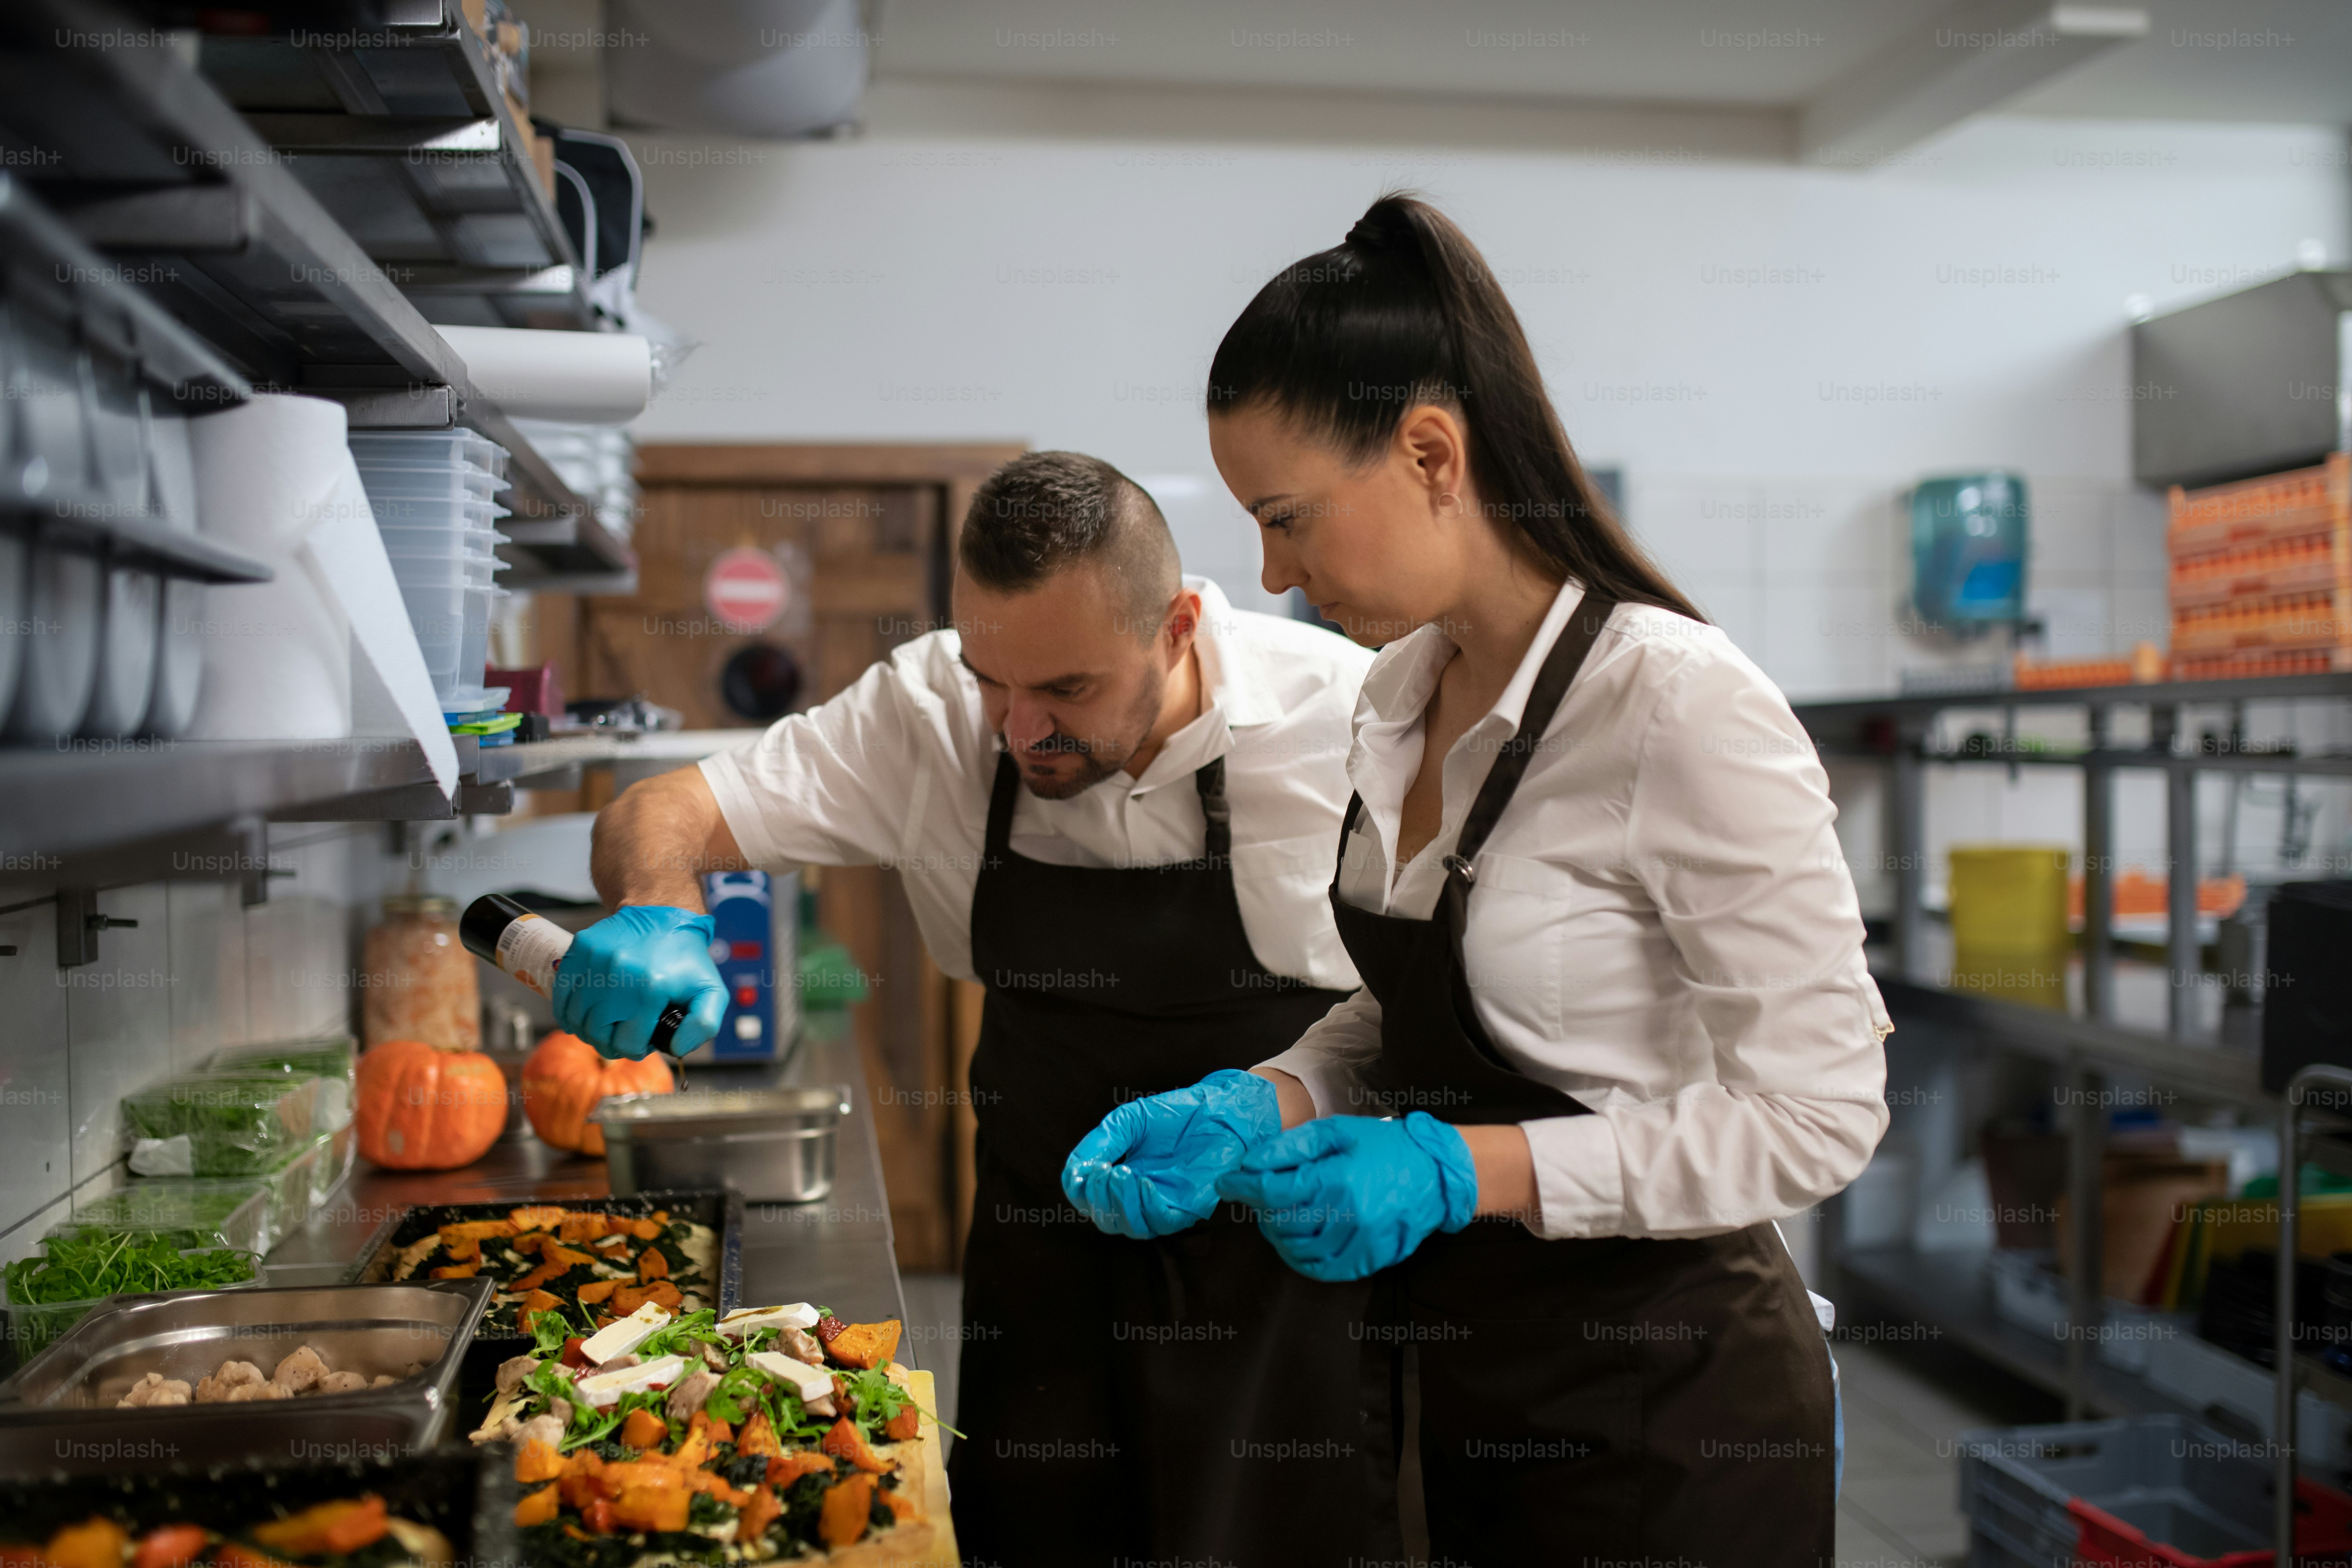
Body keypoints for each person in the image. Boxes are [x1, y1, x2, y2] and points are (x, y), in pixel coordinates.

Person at [1062, 195, 1889, 1564]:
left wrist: (1461, 1169)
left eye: (1286, 518)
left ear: (1432, 453)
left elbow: (1817, 1115)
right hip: (1480, 1371)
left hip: (1675, 1403)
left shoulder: (1673, 707)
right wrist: (1265, 1095)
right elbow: (1425, 1019)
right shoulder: (1400, 693)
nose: (1272, 571)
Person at [558, 451, 1393, 1568]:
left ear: (1179, 626)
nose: (1019, 728)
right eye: (991, 678)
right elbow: (661, 809)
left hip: (1284, 1270)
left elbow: (1440, 1008)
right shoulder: (925, 711)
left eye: (1067, 691)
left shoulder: (1345, 720)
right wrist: (657, 906)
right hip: (1041, 1258)